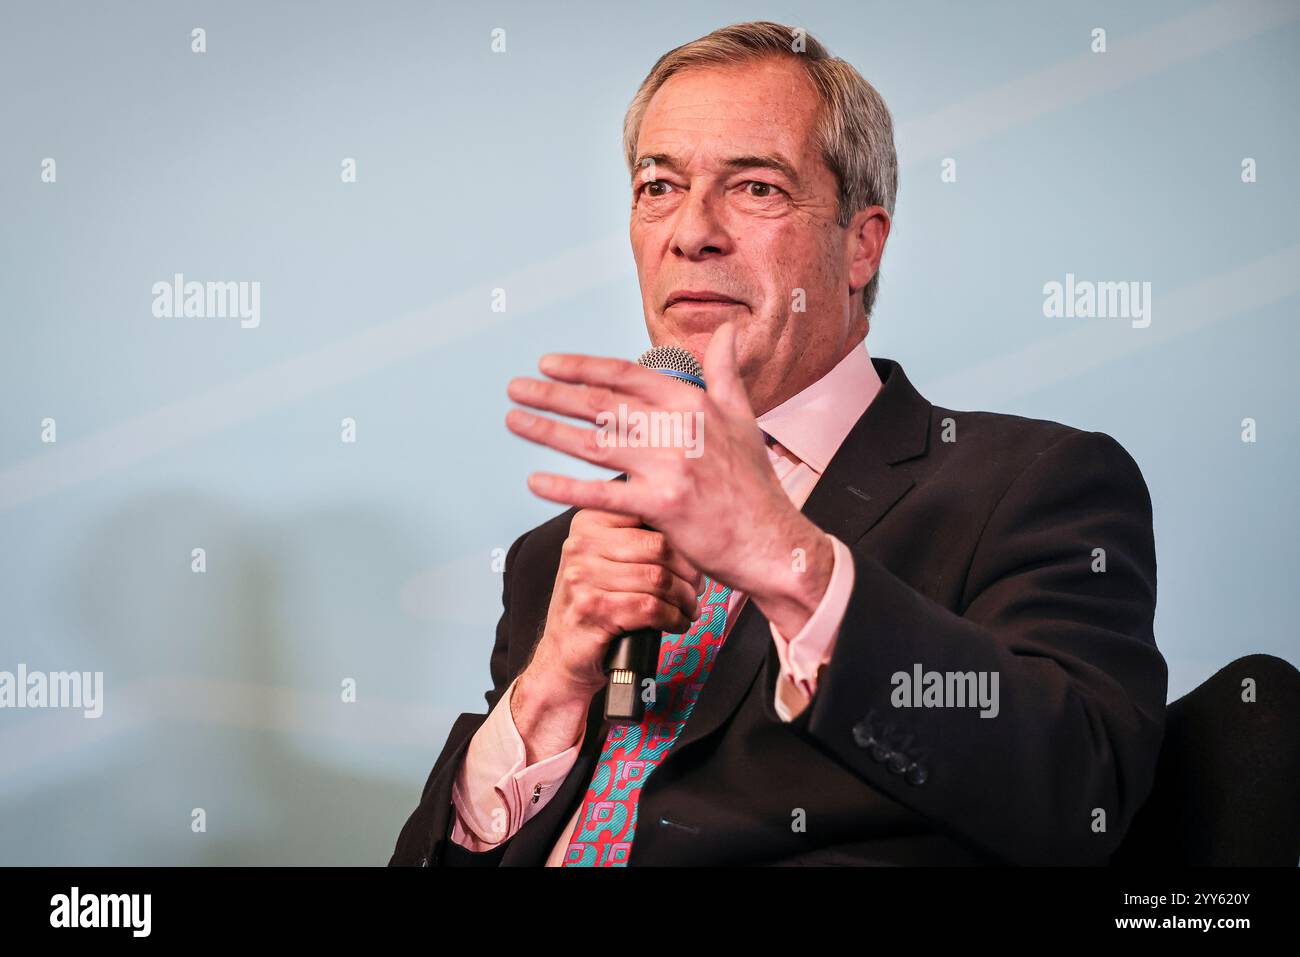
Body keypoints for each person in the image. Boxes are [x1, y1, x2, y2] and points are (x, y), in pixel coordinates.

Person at [390, 20, 1167, 867]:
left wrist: (790, 561)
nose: (692, 232)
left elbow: (1078, 796)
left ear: (861, 243)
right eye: (659, 186)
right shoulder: (561, 556)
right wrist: (548, 690)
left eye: (755, 188)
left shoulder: (1029, 486)